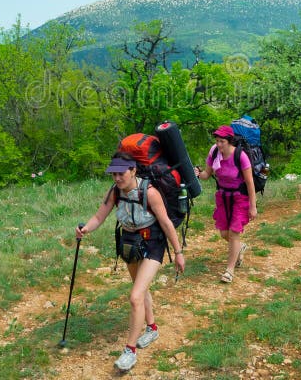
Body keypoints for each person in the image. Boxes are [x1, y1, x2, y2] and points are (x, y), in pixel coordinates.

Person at [75, 151, 186, 372]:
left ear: (133, 170)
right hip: (129, 243)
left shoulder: (150, 192)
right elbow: (99, 217)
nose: (117, 178)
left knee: (135, 297)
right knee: (141, 290)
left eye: (121, 173)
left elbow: (165, 223)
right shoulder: (115, 192)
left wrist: (178, 251)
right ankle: (152, 328)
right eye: (113, 174)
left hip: (152, 243)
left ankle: (130, 351)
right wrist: (85, 229)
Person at [194, 125, 257, 283]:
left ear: (229, 141)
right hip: (222, 196)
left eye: (222, 141)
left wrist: (253, 206)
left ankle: (229, 270)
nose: (219, 144)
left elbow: (250, 183)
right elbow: (207, 174)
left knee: (234, 232)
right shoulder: (214, 152)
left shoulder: (240, 156)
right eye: (217, 141)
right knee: (224, 233)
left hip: (240, 197)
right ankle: (240, 247)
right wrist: (197, 174)